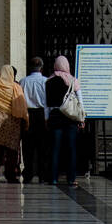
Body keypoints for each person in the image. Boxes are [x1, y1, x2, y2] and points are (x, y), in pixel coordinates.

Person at [0, 64, 29, 182]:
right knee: (12, 150)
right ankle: (11, 175)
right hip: (13, 122)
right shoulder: (16, 87)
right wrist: (25, 119)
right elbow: (22, 105)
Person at [45, 54, 83, 187]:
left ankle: (53, 178)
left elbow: (46, 103)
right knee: (71, 148)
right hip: (70, 117)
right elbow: (80, 100)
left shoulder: (49, 81)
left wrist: (46, 118)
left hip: (55, 116)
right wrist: (82, 117)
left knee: (55, 148)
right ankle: (71, 178)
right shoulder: (73, 80)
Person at [20, 57, 47, 183]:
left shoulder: (23, 82)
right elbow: (47, 102)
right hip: (41, 115)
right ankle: (42, 174)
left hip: (28, 114)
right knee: (42, 146)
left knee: (27, 146)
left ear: (30, 67)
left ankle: (28, 173)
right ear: (41, 68)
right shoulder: (46, 81)